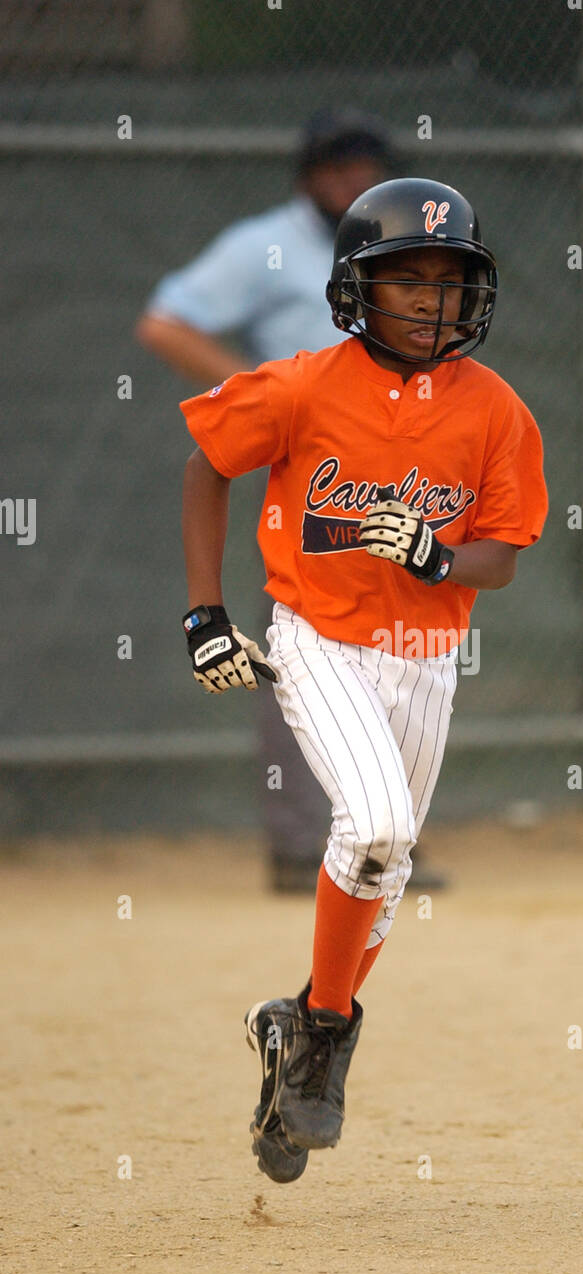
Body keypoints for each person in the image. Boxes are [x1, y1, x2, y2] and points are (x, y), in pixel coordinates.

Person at [178, 177, 548, 1184]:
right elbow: (211, 456)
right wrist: (206, 616)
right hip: (319, 636)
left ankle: (289, 1031)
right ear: (355, 289)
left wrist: (437, 555)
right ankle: (329, 1029)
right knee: (378, 827)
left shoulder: (499, 412)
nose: (432, 299)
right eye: (407, 278)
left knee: (379, 879)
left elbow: (502, 555)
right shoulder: (302, 385)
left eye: (451, 279)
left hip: (428, 661)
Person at [137, 108, 392, 892]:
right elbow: (165, 323)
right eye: (336, 168)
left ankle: (379, 838)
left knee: (398, 648)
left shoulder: (396, 240)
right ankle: (297, 847)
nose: (353, 181)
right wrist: (250, 403)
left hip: (397, 467)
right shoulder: (267, 245)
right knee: (303, 646)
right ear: (306, 178)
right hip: (308, 475)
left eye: (366, 166)